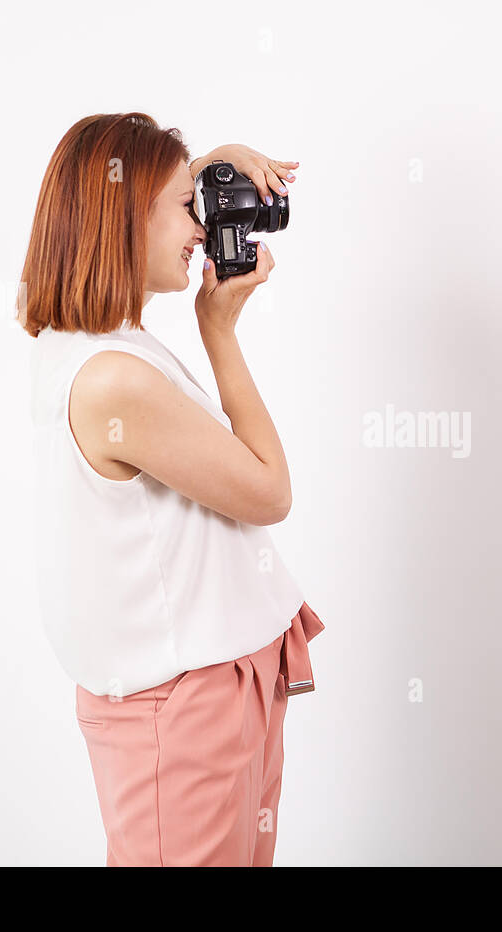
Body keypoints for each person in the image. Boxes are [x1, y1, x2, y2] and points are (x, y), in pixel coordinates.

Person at [19, 112, 323, 865]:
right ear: (123, 213)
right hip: (183, 709)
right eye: (187, 206)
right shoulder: (114, 380)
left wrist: (205, 170)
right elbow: (268, 490)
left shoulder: (104, 344)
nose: (202, 226)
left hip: (219, 685)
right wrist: (220, 330)